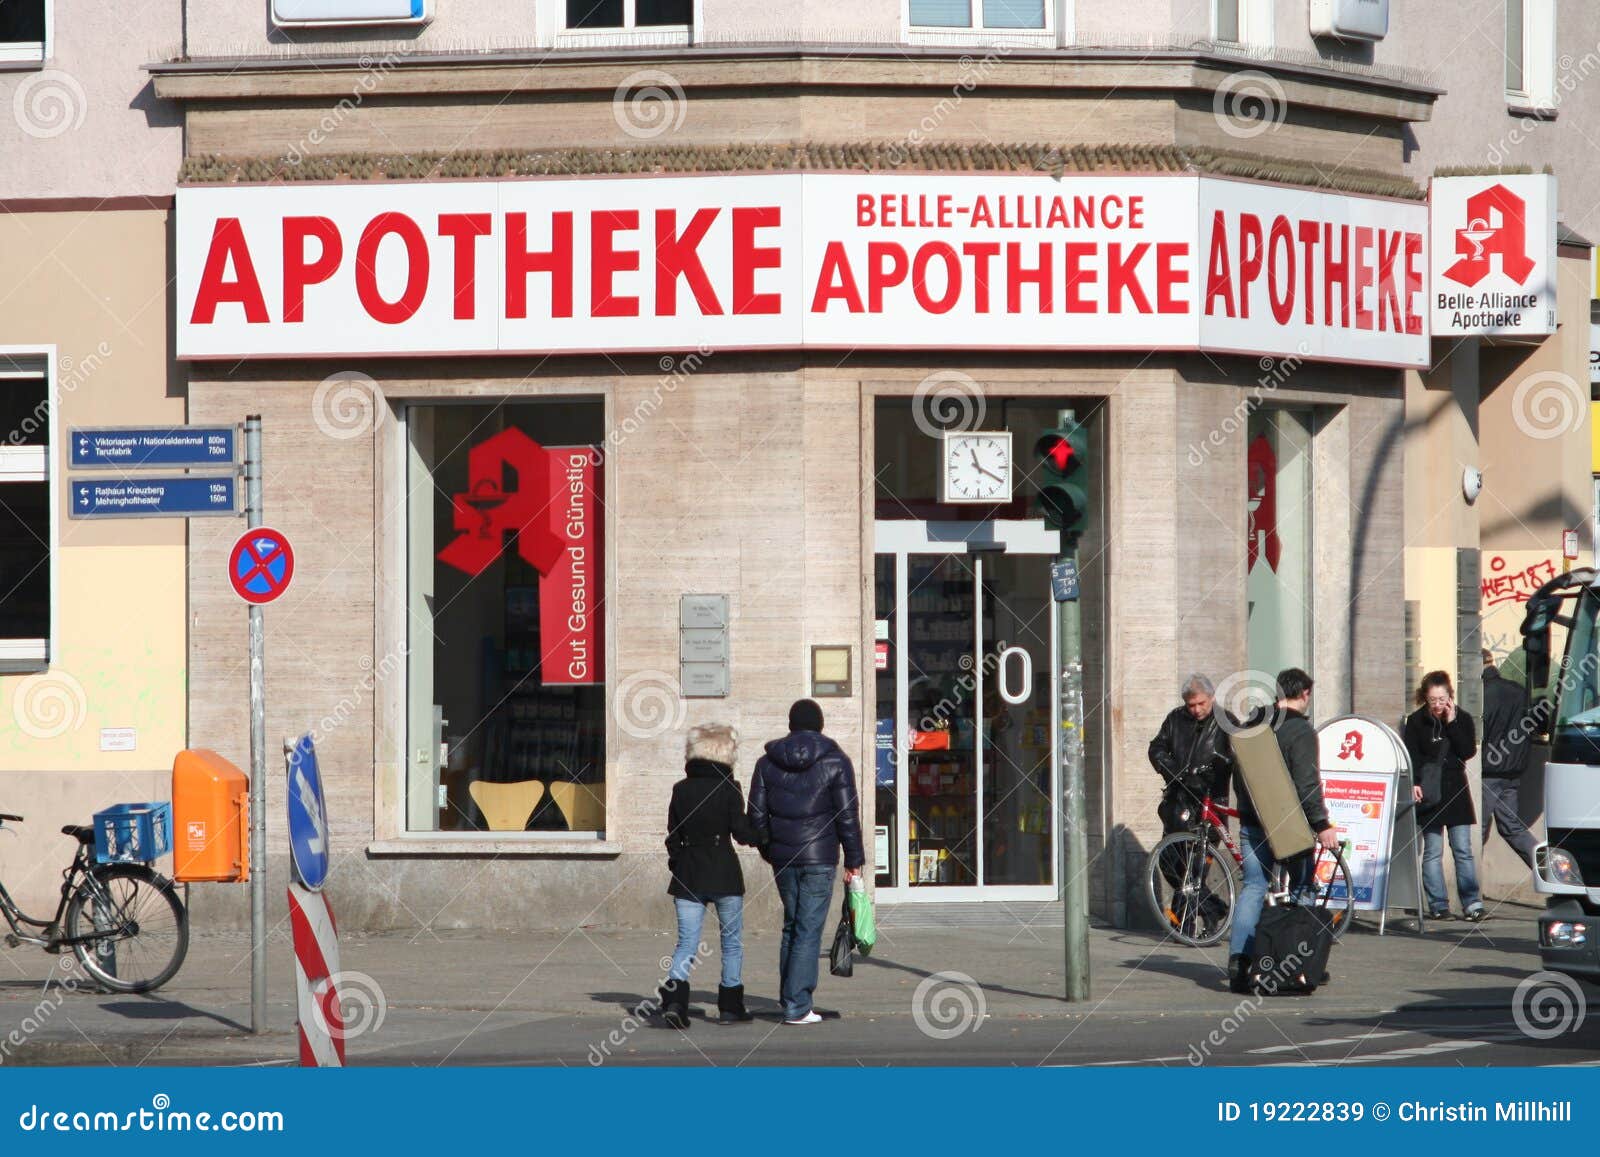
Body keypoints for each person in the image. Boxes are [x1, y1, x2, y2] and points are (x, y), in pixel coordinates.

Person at [747, 698, 866, 1026]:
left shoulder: (766, 763)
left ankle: (790, 998)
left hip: (783, 858)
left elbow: (755, 814)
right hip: (820, 857)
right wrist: (854, 860)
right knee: (808, 930)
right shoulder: (836, 761)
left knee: (791, 926)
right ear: (819, 725)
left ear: (790, 724)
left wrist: (769, 848)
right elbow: (846, 816)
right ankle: (797, 1006)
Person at [1227, 668, 1339, 994]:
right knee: (1303, 888)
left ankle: (1241, 962)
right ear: (1305, 693)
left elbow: (1242, 776)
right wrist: (1322, 824)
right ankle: (1300, 964)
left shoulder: (1252, 725)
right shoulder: (1300, 732)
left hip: (1251, 820)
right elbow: (1306, 784)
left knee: (1253, 886)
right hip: (1290, 826)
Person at [659, 723, 764, 1029]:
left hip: (689, 874)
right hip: (724, 873)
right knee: (731, 942)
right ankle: (730, 1007)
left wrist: (679, 864)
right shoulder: (729, 789)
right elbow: (742, 833)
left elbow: (673, 836)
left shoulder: (680, 789)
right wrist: (764, 835)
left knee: (686, 943)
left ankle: (676, 1002)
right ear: (725, 754)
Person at [1403, 670, 1485, 922]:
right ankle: (1438, 903)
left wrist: (1451, 721)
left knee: (1463, 849)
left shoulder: (1463, 718)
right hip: (1430, 791)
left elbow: (1467, 751)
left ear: (1450, 696)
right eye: (1433, 700)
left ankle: (1472, 903)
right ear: (1424, 698)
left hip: (1456, 788)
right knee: (1433, 851)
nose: (1438, 705)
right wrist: (1415, 783)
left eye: (1443, 699)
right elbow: (1412, 754)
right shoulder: (1416, 721)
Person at [1148, 672, 1235, 833]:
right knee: (1172, 853)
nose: (1197, 709)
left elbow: (1237, 758)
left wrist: (1215, 769)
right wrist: (1176, 772)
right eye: (1191, 705)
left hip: (1212, 798)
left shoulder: (1226, 721)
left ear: (1212, 697)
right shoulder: (1175, 718)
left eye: (1201, 703)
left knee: (1205, 853)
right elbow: (1156, 748)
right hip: (1179, 799)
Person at [1479, 650, 1540, 869]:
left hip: (1488, 771)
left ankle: (1469, 890)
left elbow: (1479, 733)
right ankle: (1548, 868)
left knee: (1477, 831)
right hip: (1513, 771)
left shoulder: (1481, 694)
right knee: (1512, 827)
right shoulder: (1519, 691)